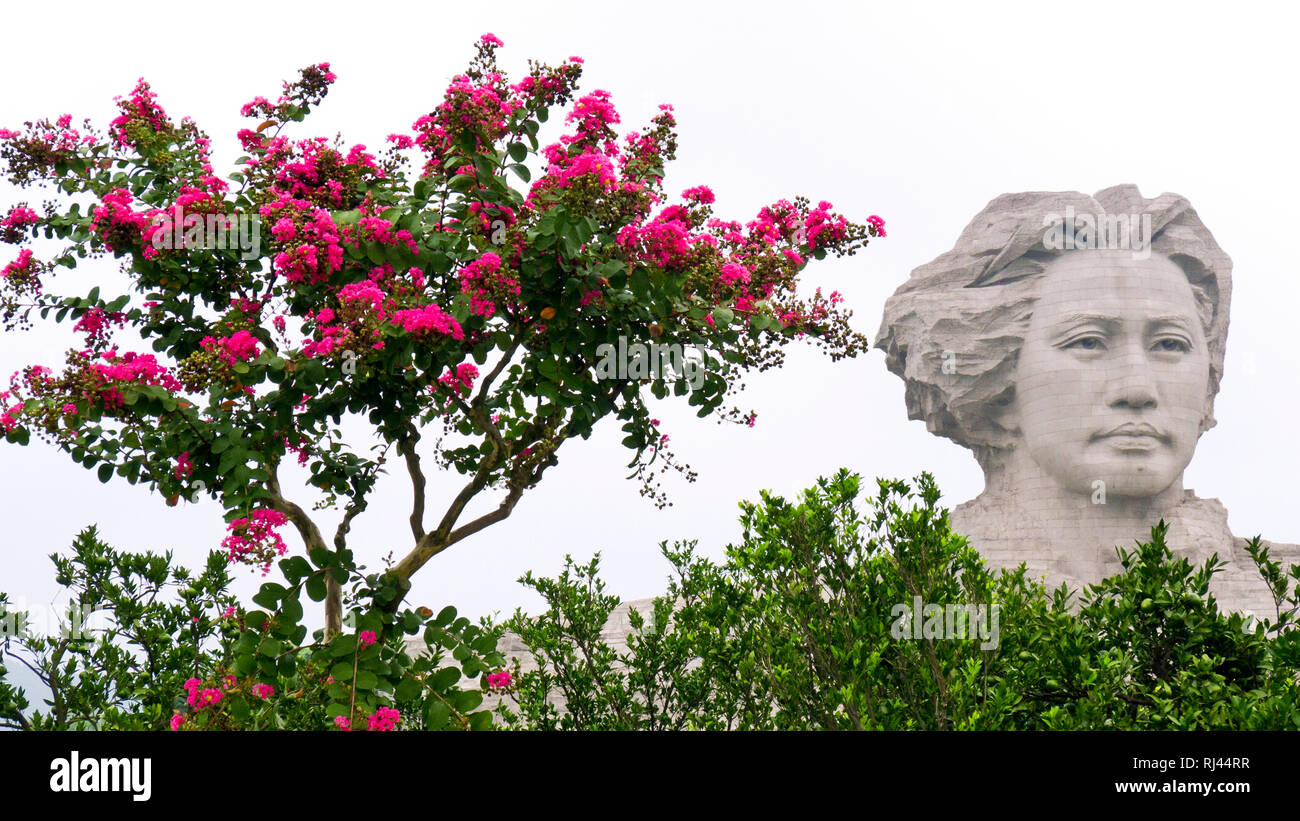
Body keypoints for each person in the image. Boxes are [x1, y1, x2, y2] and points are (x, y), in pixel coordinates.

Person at [875, 185, 1297, 619]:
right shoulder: (889, 612)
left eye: (1170, 344)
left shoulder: (1287, 599)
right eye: (1089, 342)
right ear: (998, 386)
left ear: (1207, 385)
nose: (1138, 390)